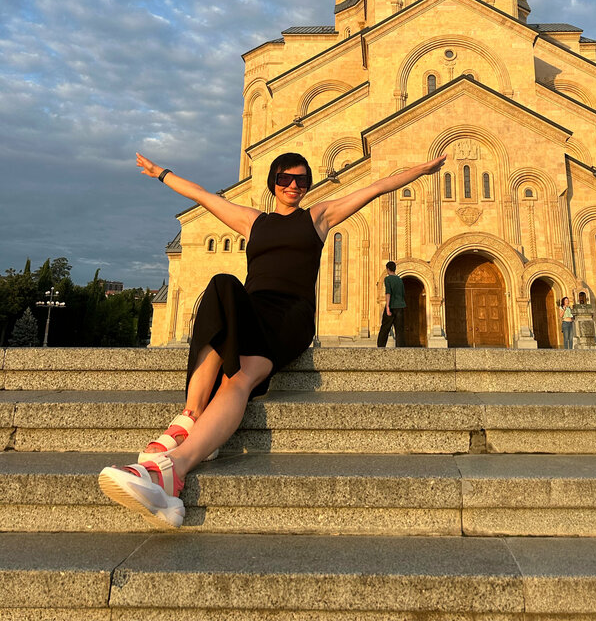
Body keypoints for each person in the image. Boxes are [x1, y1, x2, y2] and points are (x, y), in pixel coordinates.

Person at [98, 149, 445, 529]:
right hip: (254, 308)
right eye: (285, 179)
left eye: (301, 180)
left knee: (240, 377)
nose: (293, 185)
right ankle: (190, 418)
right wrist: (161, 173)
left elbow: (376, 187)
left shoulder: (318, 217)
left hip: (290, 315)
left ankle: (172, 471)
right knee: (221, 284)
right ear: (273, 183)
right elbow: (202, 196)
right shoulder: (253, 221)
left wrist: (422, 168)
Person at [376, 261, 406, 348]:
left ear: (388, 269)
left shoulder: (388, 279)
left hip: (392, 305)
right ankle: (400, 348)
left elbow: (388, 293)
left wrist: (388, 307)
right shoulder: (400, 280)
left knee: (385, 328)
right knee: (399, 329)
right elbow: (403, 293)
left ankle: (380, 346)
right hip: (400, 306)